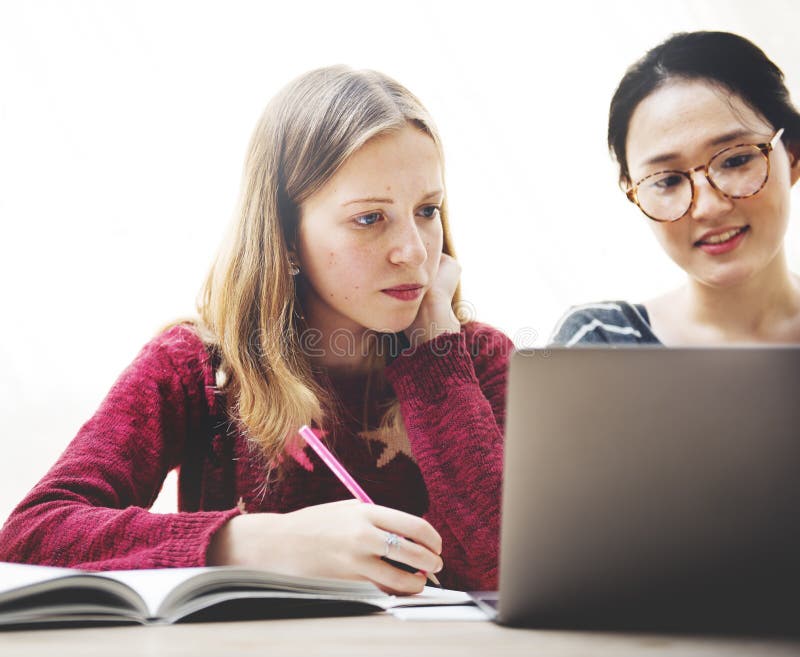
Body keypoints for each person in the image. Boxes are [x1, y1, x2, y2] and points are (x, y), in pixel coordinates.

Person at [0, 66, 512, 594]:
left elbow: (510, 565)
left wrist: (434, 356)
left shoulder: (477, 361)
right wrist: (261, 543)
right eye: (369, 218)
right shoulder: (198, 367)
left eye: (426, 210)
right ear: (286, 235)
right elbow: (30, 535)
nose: (414, 252)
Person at [551, 31, 800, 346]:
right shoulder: (600, 343)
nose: (708, 208)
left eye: (735, 160)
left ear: (792, 154)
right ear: (633, 193)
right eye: (668, 180)